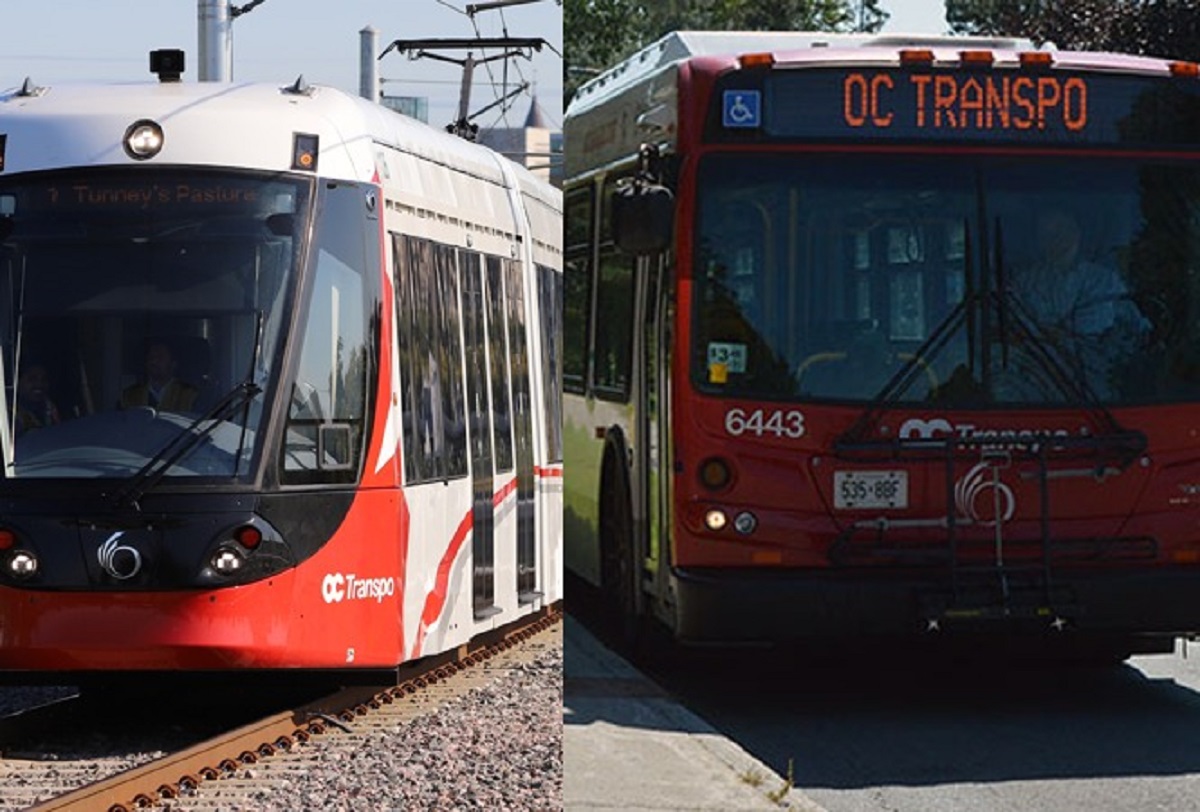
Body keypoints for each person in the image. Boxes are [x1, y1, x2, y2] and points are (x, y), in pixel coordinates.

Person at [120, 340, 198, 412]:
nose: (154, 361)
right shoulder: (129, 395)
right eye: (151, 357)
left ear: (173, 364)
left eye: (160, 357)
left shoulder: (189, 395)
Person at [14, 362, 60, 434]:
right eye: (32, 379)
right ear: (19, 382)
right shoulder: (9, 415)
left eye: (44, 380)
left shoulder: (51, 408)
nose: (39, 384)